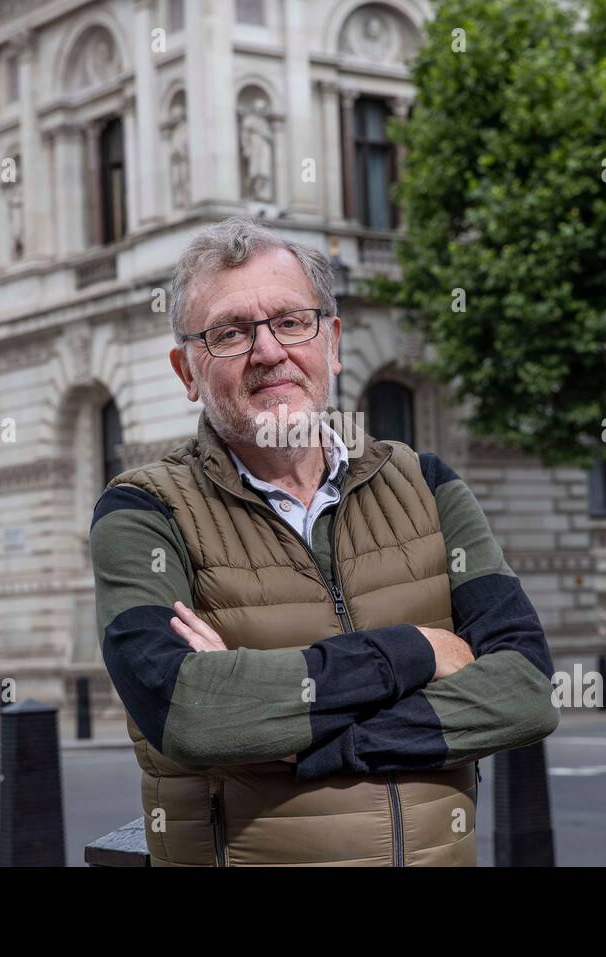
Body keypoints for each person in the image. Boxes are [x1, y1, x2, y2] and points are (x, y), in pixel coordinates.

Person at [89, 216, 559, 866]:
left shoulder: (427, 483)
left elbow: (528, 687)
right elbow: (190, 712)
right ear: (186, 370)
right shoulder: (143, 510)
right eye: (230, 332)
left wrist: (311, 735)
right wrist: (416, 651)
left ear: (331, 342)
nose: (268, 351)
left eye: (291, 321)